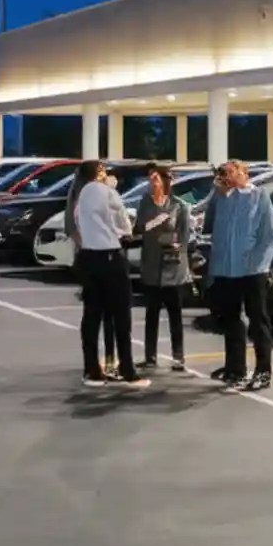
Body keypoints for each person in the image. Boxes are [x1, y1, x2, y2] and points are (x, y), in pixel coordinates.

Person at [203, 160, 273, 392]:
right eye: (224, 173)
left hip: (252, 271)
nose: (227, 176)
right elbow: (208, 226)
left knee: (258, 322)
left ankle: (263, 372)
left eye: (232, 172)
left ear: (244, 173)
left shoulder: (258, 196)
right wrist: (216, 193)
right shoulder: (221, 198)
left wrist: (257, 261)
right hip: (225, 271)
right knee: (231, 322)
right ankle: (235, 369)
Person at [73, 160, 148, 388]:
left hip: (88, 257)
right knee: (120, 316)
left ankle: (92, 371)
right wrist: (126, 234)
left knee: (91, 315)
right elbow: (122, 223)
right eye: (104, 170)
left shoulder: (80, 197)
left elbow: (78, 223)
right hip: (110, 257)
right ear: (98, 173)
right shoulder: (107, 192)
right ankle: (127, 370)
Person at [134, 164, 192, 371]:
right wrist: (155, 222)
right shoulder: (145, 203)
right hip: (151, 264)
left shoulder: (179, 206)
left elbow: (185, 237)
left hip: (173, 267)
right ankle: (150, 356)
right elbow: (139, 228)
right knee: (152, 313)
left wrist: (177, 246)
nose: (152, 183)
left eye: (155, 179)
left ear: (165, 182)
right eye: (150, 180)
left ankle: (179, 356)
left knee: (175, 314)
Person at [66, 169, 117, 378]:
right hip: (94, 260)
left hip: (97, 258)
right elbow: (73, 229)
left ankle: (107, 362)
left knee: (105, 315)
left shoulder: (92, 197)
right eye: (101, 172)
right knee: (95, 314)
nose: (105, 176)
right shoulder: (81, 201)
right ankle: (94, 365)